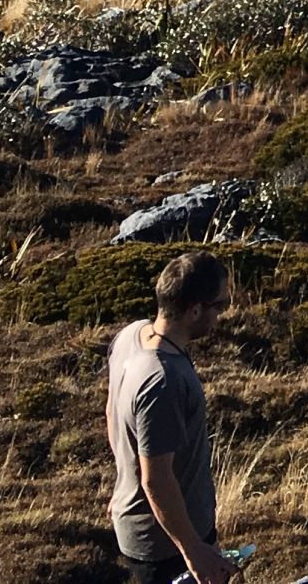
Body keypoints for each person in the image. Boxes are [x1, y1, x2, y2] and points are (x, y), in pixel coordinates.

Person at [106, 250, 241, 584]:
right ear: (195, 309)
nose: (221, 315)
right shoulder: (163, 380)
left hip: (143, 526)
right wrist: (193, 550)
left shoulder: (130, 335)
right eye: (219, 306)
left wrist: (123, 483)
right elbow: (157, 479)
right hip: (167, 545)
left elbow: (112, 412)